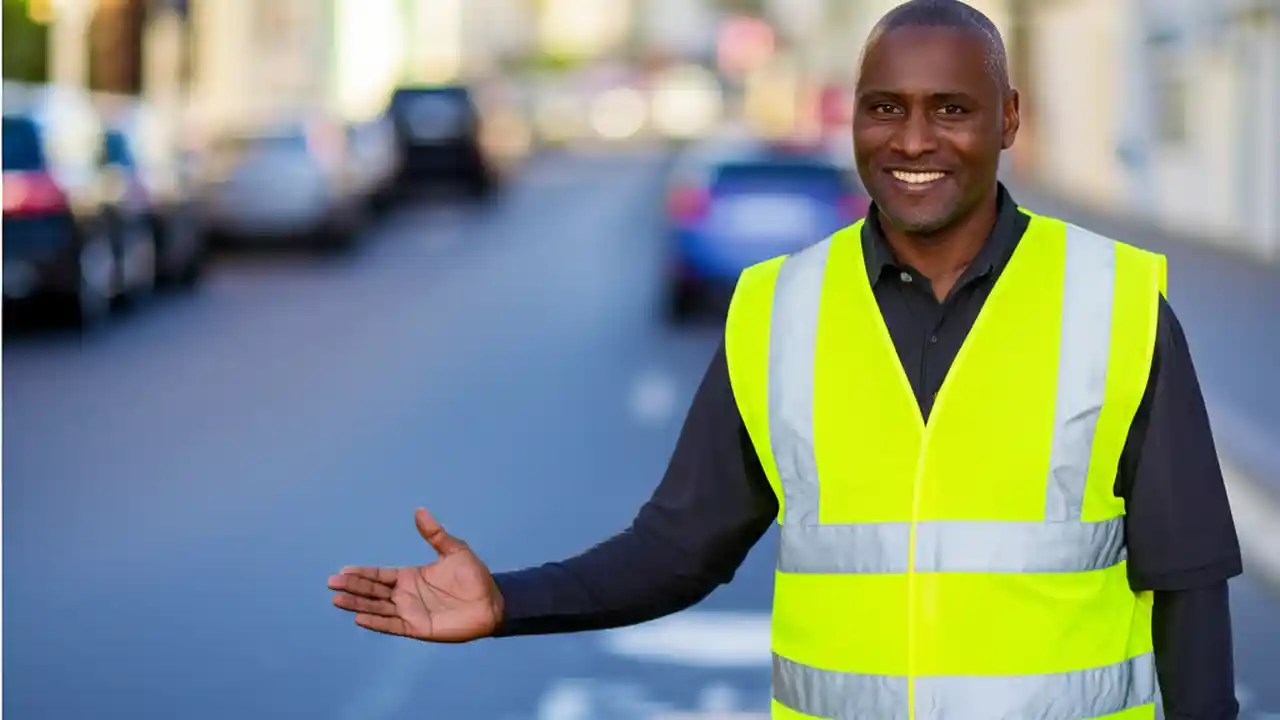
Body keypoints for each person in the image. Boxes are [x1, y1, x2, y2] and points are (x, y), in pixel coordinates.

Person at [328, 1, 1243, 717]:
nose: (914, 141)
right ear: (852, 119)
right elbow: (678, 547)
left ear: (1007, 119)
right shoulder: (777, 311)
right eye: (885, 109)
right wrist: (508, 602)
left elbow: (1189, 587)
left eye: (951, 111)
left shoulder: (1114, 303)